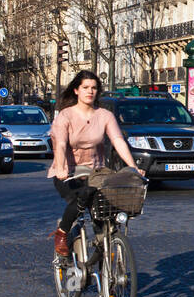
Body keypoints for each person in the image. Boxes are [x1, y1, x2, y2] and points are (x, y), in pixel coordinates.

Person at [47, 70, 141, 258]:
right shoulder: (65, 116)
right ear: (76, 90)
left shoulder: (104, 115)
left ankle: (107, 271)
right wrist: (61, 167)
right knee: (80, 198)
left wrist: (132, 167)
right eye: (85, 88)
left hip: (96, 173)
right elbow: (61, 143)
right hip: (69, 172)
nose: (90, 91)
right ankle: (62, 233)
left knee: (106, 213)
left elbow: (118, 141)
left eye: (94, 88)